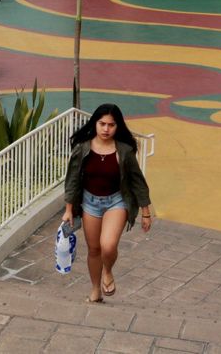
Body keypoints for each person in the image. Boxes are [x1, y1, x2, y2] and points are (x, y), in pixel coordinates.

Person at [62, 104, 153, 303]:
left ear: (117, 126)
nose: (106, 129)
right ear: (95, 123)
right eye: (102, 124)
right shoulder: (83, 148)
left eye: (111, 125)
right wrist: (69, 210)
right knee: (94, 249)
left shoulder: (125, 151)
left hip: (116, 201)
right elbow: (72, 180)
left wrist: (146, 212)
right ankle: (95, 289)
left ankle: (108, 271)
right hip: (90, 202)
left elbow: (138, 182)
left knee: (108, 245)